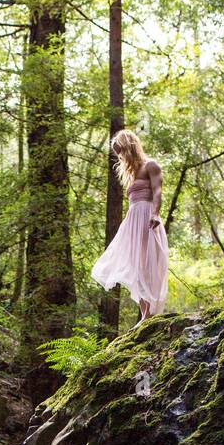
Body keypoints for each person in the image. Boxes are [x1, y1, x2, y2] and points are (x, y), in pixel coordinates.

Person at [91, 128, 169, 320]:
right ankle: (145, 315)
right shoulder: (131, 174)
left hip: (148, 218)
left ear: (130, 147)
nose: (120, 157)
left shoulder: (151, 165)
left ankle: (149, 314)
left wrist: (155, 214)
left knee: (148, 264)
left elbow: (157, 193)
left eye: (121, 151)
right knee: (136, 266)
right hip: (132, 222)